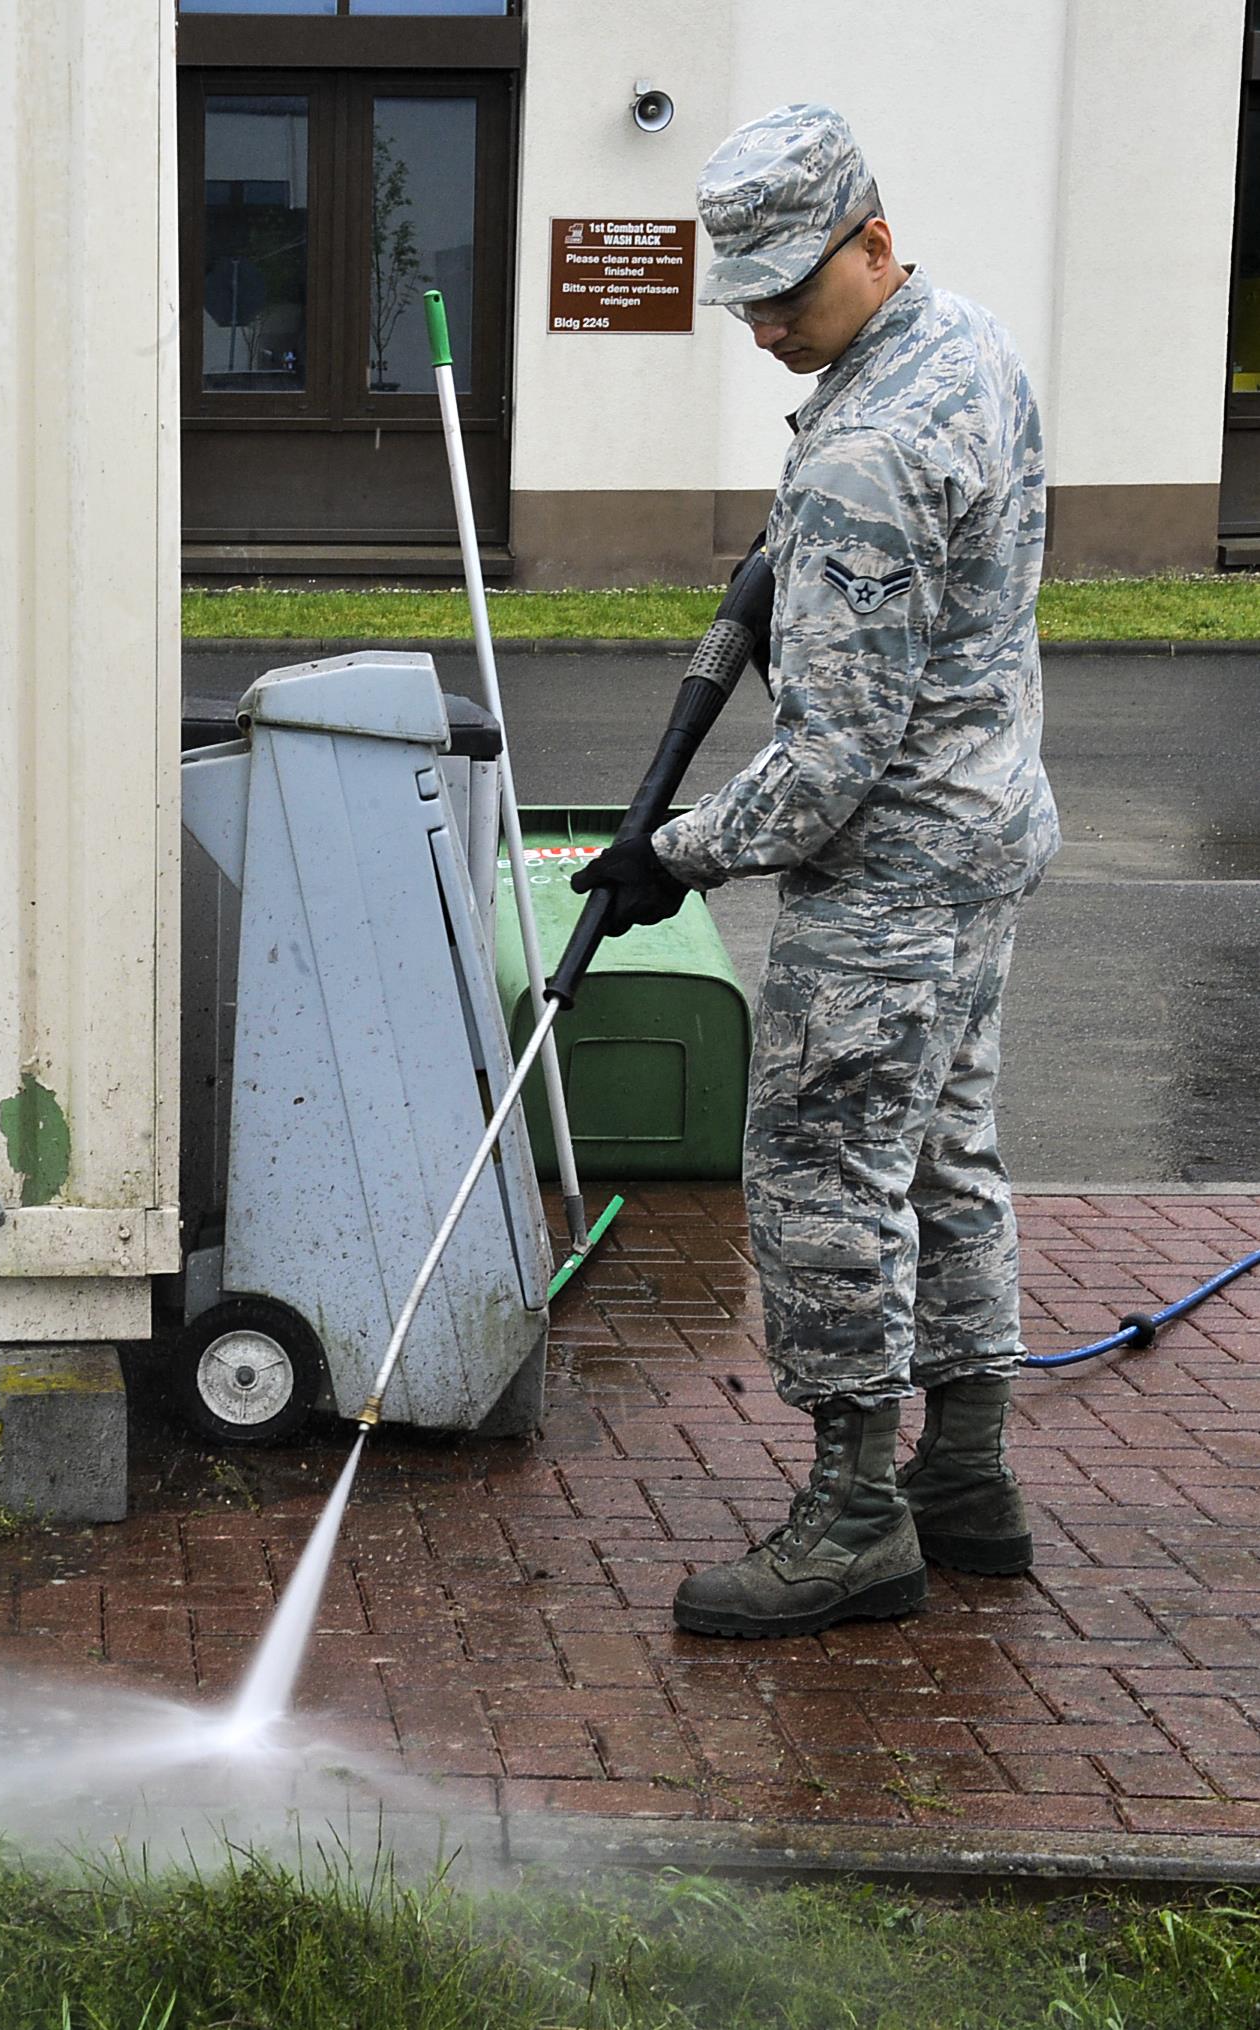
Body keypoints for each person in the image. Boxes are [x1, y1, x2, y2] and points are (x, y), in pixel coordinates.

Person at [569, 103, 1059, 1640]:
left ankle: (857, 1518)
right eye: (753, 297)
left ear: (874, 235)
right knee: (943, 1151)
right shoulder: (963, 341)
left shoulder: (864, 448)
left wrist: (671, 857)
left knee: (824, 1169)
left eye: (795, 288)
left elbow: (829, 765)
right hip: (984, 833)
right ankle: (968, 1483)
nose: (772, 322)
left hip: (893, 871)